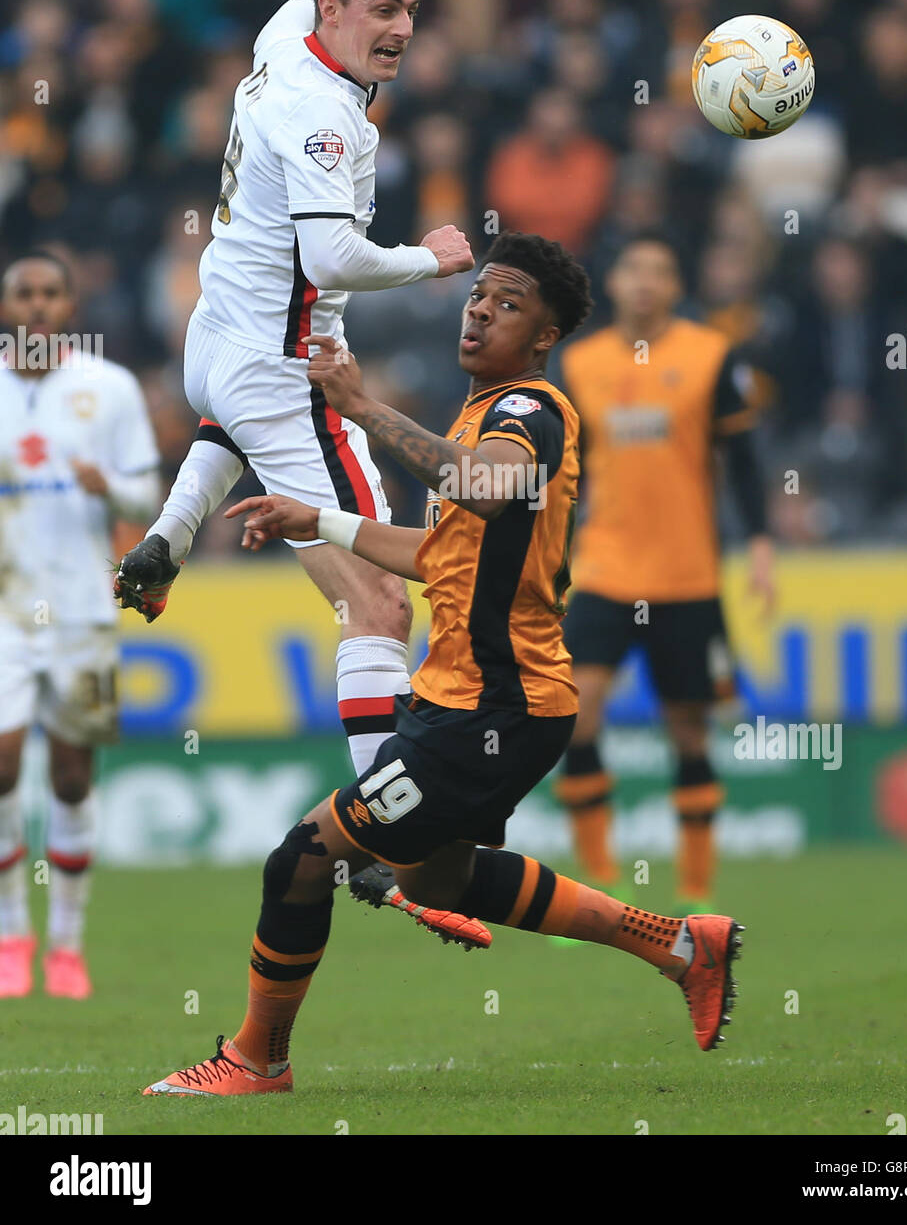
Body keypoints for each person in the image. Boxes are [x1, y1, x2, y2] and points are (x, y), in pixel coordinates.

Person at [141, 231, 743, 1097]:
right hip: (468, 700)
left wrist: (361, 408)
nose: (480, 311)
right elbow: (441, 555)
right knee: (440, 876)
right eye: (478, 296)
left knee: (305, 856)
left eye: (508, 304)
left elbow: (488, 486)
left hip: (491, 713)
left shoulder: (530, 413)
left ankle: (255, 1060)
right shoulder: (479, 418)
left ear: (543, 336)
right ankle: (681, 943)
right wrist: (324, 522)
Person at [114, 0, 482, 947]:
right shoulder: (324, 115)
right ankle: (385, 838)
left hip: (220, 340)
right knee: (376, 599)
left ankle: (167, 539)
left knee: (353, 575)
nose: (402, 29)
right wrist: (431, 257)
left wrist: (176, 534)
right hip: (289, 368)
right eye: (382, 9)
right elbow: (334, 252)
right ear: (330, 10)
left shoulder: (287, 30)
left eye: (411, 10)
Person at [556, 233, 774, 911]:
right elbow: (565, 474)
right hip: (604, 568)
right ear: (612, 284)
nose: (645, 281)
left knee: (688, 727)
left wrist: (760, 541)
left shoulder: (710, 355)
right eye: (633, 269)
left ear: (676, 287)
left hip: (687, 574)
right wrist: (550, 559)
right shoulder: (579, 363)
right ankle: (597, 882)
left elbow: (740, 461)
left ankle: (696, 888)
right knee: (575, 711)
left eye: (660, 270)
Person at [0, 251, 160, 998]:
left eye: (51, 294)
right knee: (0, 770)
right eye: (24, 293)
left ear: (70, 306)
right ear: (7, 307)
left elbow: (146, 494)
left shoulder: (110, 387)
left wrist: (111, 486)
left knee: (69, 779)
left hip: (82, 609)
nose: (37, 305)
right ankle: (11, 935)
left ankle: (65, 943)